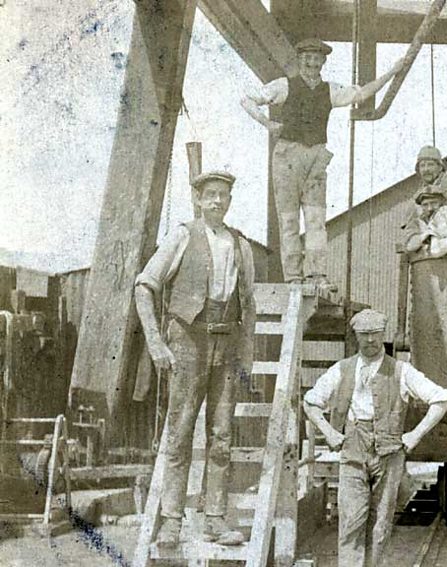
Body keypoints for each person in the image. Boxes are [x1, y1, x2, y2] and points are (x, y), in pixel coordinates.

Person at [134, 171, 257, 546]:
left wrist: (247, 356)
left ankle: (215, 519)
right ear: (199, 200)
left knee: (221, 436)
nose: (218, 202)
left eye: (224, 196)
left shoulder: (240, 244)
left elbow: (248, 304)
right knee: (181, 430)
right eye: (211, 195)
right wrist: (156, 343)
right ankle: (171, 519)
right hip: (188, 342)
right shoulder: (182, 235)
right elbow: (144, 286)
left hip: (227, 345)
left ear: (230, 201)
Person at [241, 38, 403, 288]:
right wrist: (267, 123)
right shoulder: (284, 86)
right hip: (288, 158)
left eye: (316, 58)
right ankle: (294, 277)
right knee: (289, 220)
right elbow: (248, 99)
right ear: (299, 60)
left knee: (316, 218)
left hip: (316, 157)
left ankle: (316, 275)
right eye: (306, 57)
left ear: (323, 62)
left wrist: (392, 71)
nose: (311, 62)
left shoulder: (330, 90)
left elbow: (362, 92)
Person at [303, 309, 447, 567]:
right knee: (350, 522)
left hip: (390, 456)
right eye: (364, 335)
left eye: (375, 335)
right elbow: (310, 402)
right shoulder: (342, 369)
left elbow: (442, 398)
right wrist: (328, 431)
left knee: (381, 524)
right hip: (353, 453)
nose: (370, 340)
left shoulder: (401, 371)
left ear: (383, 335)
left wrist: (415, 435)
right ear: (356, 336)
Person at [401, 185, 446, 254]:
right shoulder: (417, 223)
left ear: (442, 203)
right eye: (425, 205)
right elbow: (410, 246)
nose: (430, 208)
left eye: (434, 203)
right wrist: (426, 234)